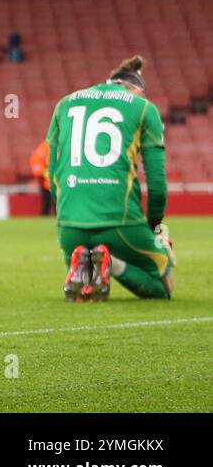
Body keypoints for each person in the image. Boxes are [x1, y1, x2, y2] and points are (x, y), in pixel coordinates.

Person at [49, 55, 175, 301]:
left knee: (85, 280)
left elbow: (53, 177)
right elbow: (158, 187)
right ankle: (111, 261)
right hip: (121, 224)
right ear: (135, 89)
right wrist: (154, 228)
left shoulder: (64, 104)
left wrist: (67, 216)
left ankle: (84, 265)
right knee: (164, 284)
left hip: (69, 228)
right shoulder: (144, 108)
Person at [29, 139, 53, 216]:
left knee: (58, 206)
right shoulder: (45, 147)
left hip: (59, 183)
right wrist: (44, 173)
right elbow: (36, 161)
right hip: (46, 183)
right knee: (47, 204)